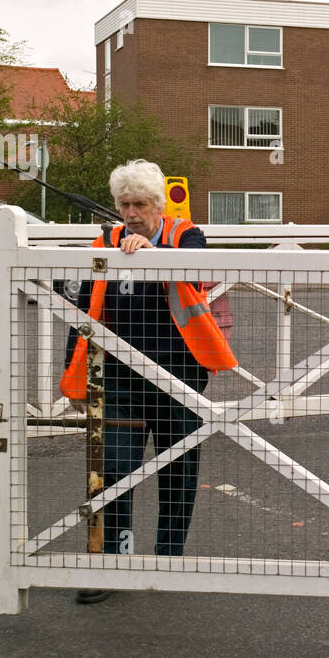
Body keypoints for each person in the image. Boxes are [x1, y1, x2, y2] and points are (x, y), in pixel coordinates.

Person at [60, 160, 236, 603]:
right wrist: (74, 375)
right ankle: (110, 566)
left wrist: (151, 252)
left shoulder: (185, 235)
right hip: (118, 376)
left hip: (178, 373)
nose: (131, 212)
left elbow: (194, 268)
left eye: (140, 204)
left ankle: (167, 559)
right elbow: (84, 309)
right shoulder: (106, 242)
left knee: (178, 468)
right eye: (124, 204)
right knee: (112, 470)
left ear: (158, 205)